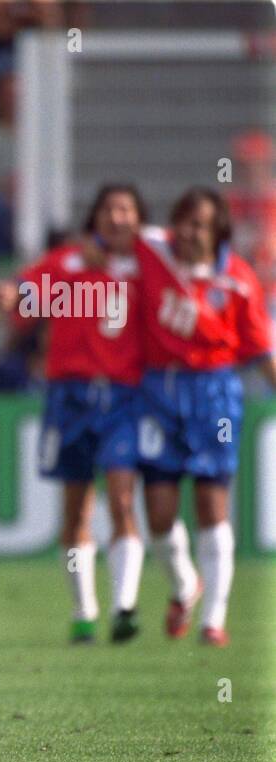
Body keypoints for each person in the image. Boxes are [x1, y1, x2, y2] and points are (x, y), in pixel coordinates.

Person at [0, 184, 147, 643]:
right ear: (96, 218)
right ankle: (84, 611)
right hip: (70, 397)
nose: (117, 217)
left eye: (126, 210)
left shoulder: (149, 265)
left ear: (139, 219)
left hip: (124, 397)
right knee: (75, 508)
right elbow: (21, 293)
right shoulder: (66, 263)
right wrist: (8, 297)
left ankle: (125, 606)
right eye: (109, 209)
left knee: (122, 499)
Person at [133, 188, 275, 647]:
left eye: (201, 225)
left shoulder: (237, 279)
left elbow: (259, 350)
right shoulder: (153, 250)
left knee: (213, 507)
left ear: (218, 232)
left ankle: (214, 619)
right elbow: (111, 236)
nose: (190, 233)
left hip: (214, 395)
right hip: (158, 392)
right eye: (184, 222)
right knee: (158, 513)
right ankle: (184, 586)